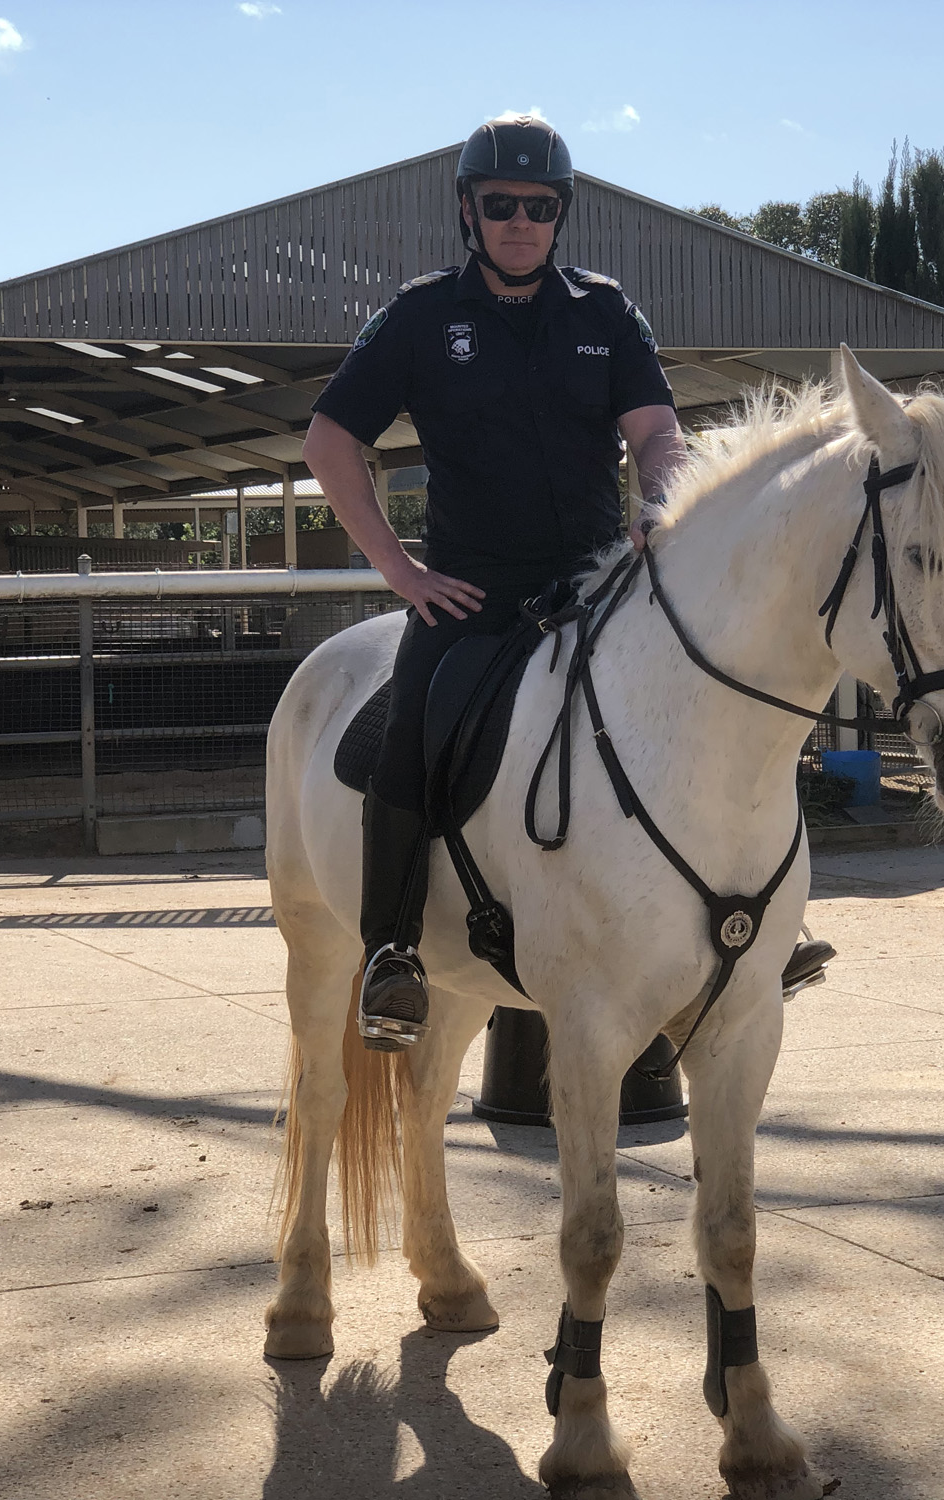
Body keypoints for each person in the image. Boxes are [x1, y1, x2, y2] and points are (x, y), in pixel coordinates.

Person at [304, 113, 685, 1050]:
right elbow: (329, 442)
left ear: (562, 214)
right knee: (413, 731)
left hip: (596, 584)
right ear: (468, 210)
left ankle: (756, 924)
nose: (521, 221)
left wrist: (657, 505)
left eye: (540, 206)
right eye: (502, 204)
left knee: (705, 700)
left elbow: (657, 435)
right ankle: (392, 955)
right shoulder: (420, 316)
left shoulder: (605, 312)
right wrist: (399, 569)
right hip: (469, 595)